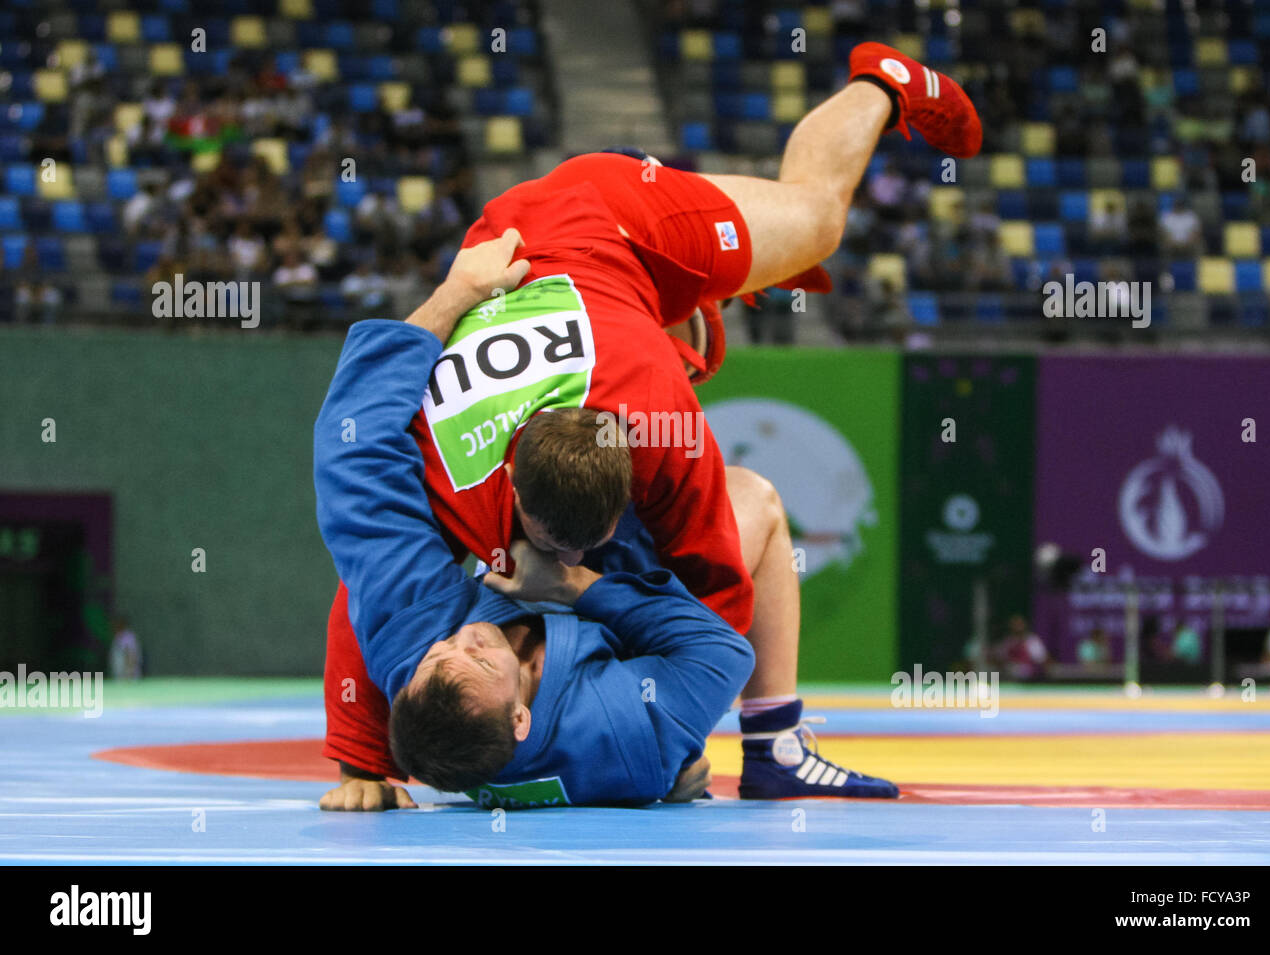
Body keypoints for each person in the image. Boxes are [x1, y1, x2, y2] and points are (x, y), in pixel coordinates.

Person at [314, 233, 899, 809]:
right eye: (478, 658)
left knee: (378, 566)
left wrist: (362, 760)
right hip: (626, 635)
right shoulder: (620, 732)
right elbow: (720, 652)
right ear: (522, 718)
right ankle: (776, 746)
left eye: (440, 658)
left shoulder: (422, 647)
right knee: (754, 499)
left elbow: (354, 458)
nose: (461, 642)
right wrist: (579, 588)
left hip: (539, 520)